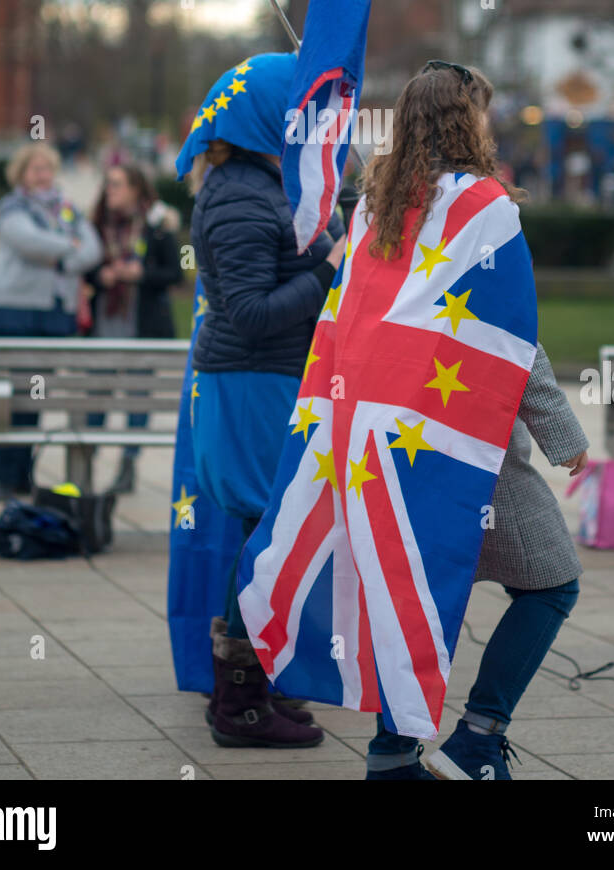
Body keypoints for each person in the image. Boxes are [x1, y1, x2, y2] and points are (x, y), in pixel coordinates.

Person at [357, 61, 589, 781]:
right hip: (468, 441)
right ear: (467, 120)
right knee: (552, 582)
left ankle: (391, 757)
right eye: (483, 112)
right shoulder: (484, 207)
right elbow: (511, 338)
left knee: (416, 592)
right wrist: (563, 436)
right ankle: (477, 739)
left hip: (389, 437)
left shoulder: (375, 202)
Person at [181, 52, 345, 750]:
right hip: (252, 381)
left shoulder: (257, 187)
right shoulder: (242, 198)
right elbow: (249, 311)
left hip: (265, 380)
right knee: (265, 537)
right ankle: (238, 702)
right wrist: (329, 270)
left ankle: (254, 685)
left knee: (268, 535)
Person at [0, 142, 102, 500]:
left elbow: (93, 248)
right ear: (21, 174)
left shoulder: (66, 209)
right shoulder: (12, 207)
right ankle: (6, 476)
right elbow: (29, 243)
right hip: (16, 310)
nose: (43, 176)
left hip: (53, 313)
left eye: (47, 169)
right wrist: (70, 248)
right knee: (13, 398)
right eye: (35, 169)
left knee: (36, 395)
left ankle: (23, 474)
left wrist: (64, 255)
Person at [84, 164, 183, 494]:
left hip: (143, 327)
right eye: (108, 184)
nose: (110, 190)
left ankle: (128, 465)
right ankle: (86, 463)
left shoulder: (156, 228)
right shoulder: (96, 226)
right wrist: (102, 276)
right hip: (104, 327)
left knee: (138, 399)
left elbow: (176, 272)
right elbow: (83, 269)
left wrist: (140, 275)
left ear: (137, 190)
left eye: (118, 184)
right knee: (97, 398)